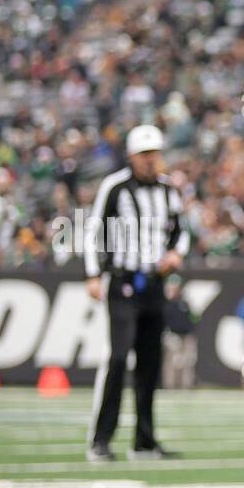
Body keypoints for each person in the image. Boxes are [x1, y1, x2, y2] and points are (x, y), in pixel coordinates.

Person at [84, 124, 187, 461]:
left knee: (150, 362)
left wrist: (176, 254)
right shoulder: (114, 187)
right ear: (131, 156)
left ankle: (144, 442)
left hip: (154, 285)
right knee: (116, 358)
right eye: (144, 154)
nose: (150, 160)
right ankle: (101, 440)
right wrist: (93, 274)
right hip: (122, 283)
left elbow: (181, 232)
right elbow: (93, 231)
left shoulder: (168, 189)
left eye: (155, 153)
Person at [161, 274, 197, 389]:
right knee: (170, 361)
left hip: (186, 336)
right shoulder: (164, 303)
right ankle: (169, 385)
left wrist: (191, 333)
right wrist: (167, 333)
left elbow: (193, 319)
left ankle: (186, 385)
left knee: (187, 361)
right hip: (172, 335)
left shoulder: (185, 303)